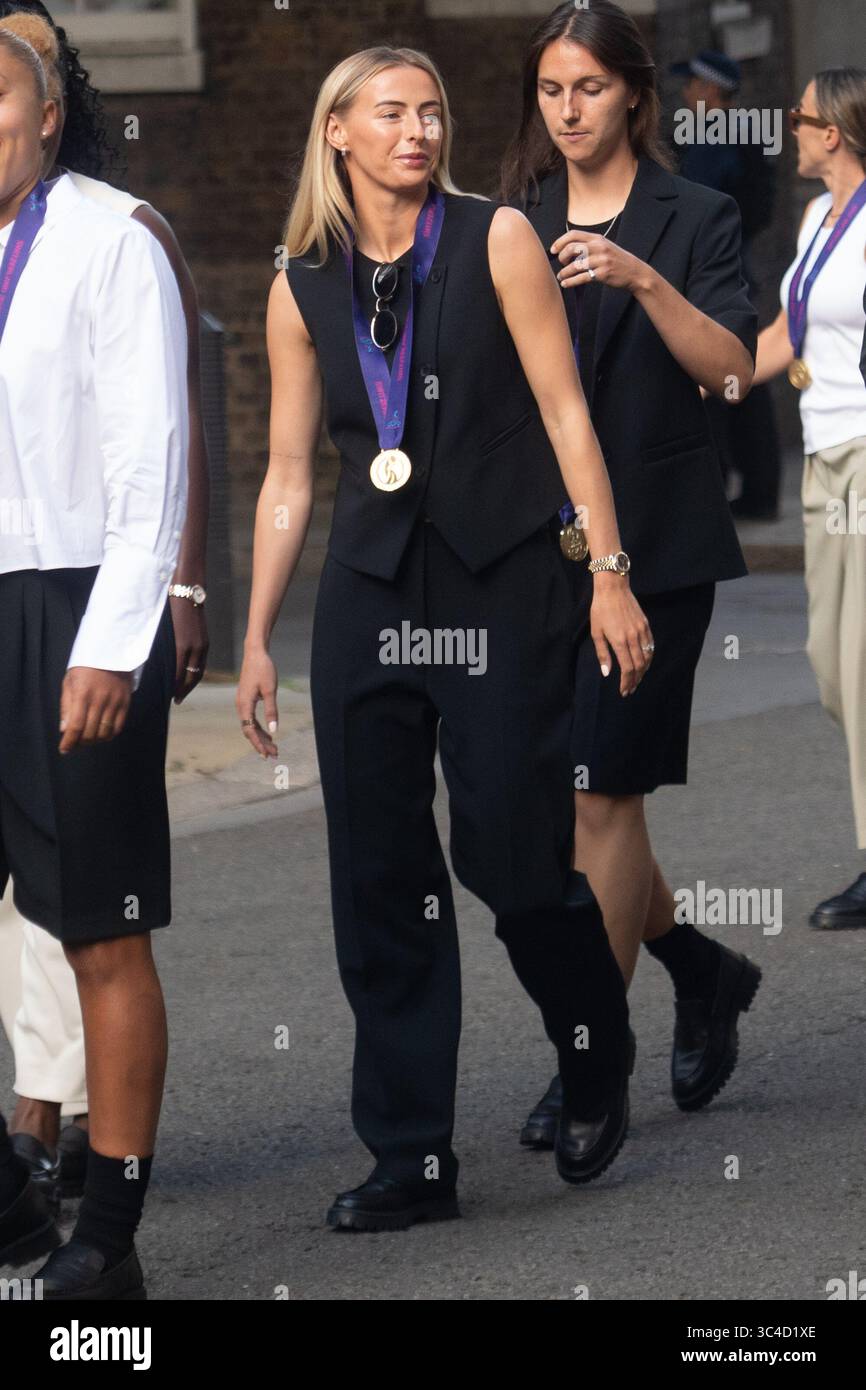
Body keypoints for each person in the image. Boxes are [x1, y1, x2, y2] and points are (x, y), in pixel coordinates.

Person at [237, 44, 654, 1230]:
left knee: (510, 858)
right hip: (369, 592)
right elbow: (282, 476)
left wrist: (608, 572)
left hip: (502, 578)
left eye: (429, 112)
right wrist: (258, 630)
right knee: (377, 877)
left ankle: (591, 1041)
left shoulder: (495, 238)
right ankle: (411, 1154)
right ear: (338, 135)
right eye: (390, 113)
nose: (416, 131)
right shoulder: (298, 280)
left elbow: (566, 409)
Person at [500, 0, 762, 1143]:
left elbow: (732, 371)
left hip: (654, 549)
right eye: (551, 90)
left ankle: (588, 1059)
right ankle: (699, 969)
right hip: (538, 552)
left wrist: (639, 278)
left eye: (588, 89)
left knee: (601, 795)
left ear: (633, 97)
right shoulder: (510, 222)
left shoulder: (692, 214)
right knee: (573, 809)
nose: (567, 110)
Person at [0, 0, 209, 1214]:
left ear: (47, 114)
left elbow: (150, 461)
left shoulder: (111, 237)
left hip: (75, 603)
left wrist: (116, 639)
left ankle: (112, 1225)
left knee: (97, 933)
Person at [753, 68, 866, 928]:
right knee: (830, 668)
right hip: (822, 454)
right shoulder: (815, 218)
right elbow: (786, 333)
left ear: (834, 131)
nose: (789, 128)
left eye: (800, 117)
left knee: (860, 666)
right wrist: (711, 376)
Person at [671, 48, 783, 521]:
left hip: (710, 273)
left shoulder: (712, 136)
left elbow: (693, 207)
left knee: (716, 374)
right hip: (735, 268)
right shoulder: (749, 135)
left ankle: (717, 486)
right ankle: (759, 488)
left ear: (710, 90)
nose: (685, 93)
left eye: (692, 85)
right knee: (742, 375)